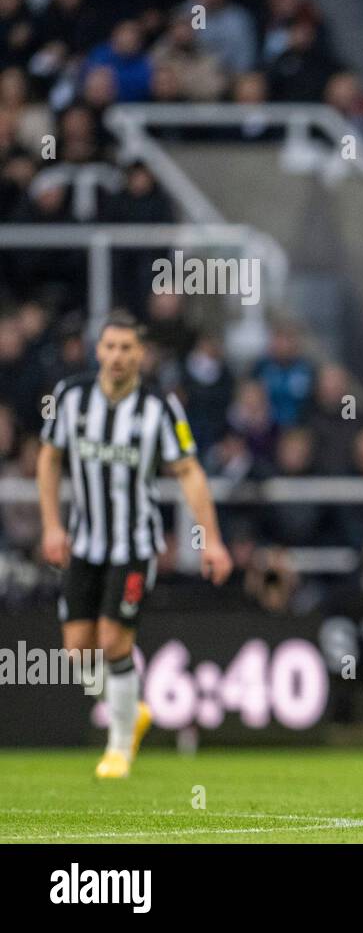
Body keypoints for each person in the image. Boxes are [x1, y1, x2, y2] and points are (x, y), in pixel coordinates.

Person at [36, 311, 232, 779]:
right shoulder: (70, 397)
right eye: (110, 346)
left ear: (141, 354)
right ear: (97, 350)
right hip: (84, 543)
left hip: (134, 545)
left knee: (113, 641)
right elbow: (49, 457)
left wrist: (212, 541)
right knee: (78, 652)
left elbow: (188, 471)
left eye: (128, 347)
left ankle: (119, 748)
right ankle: (132, 709)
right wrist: (51, 526)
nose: (118, 356)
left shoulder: (160, 407)